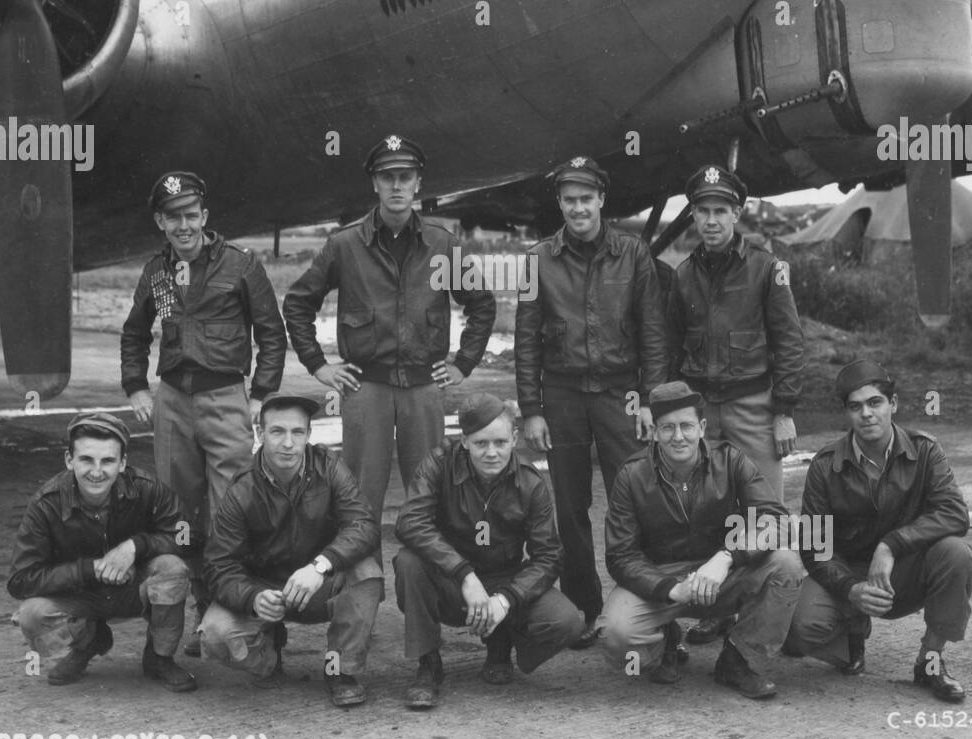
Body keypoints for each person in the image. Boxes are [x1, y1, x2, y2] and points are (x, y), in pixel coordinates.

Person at [284, 136, 496, 531]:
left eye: (405, 177)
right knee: (360, 500)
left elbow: (481, 303)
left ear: (418, 184)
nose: (397, 186)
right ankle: (362, 590)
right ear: (374, 184)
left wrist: (463, 363)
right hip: (366, 388)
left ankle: (428, 587)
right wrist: (318, 365)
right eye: (387, 177)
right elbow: (298, 302)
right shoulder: (345, 245)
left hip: (423, 388)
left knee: (429, 498)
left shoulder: (443, 246)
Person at [121, 171, 288, 656]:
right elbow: (135, 333)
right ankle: (201, 606)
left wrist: (261, 395)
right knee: (180, 512)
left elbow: (270, 334)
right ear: (160, 222)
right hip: (172, 399)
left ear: (205, 217)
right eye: (173, 218)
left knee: (234, 507)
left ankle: (246, 612)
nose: (184, 225)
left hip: (224, 397)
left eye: (191, 215)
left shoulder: (241, 265)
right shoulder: (156, 272)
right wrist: (136, 388)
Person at [514, 156, 668, 648]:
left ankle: (649, 602)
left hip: (620, 393)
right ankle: (584, 607)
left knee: (641, 498)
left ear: (602, 199)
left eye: (586, 199)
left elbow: (653, 332)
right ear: (559, 203)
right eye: (569, 200)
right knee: (570, 505)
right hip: (561, 395)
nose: (578, 208)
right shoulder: (537, 259)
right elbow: (526, 340)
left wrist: (651, 401)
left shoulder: (633, 253)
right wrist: (531, 409)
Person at [667, 165, 805, 647]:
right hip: (703, 411)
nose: (710, 220)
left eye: (720, 211)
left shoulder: (768, 267)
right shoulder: (682, 275)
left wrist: (784, 408)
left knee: (766, 511)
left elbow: (789, 340)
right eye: (702, 211)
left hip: (753, 404)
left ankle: (765, 619)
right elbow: (669, 348)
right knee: (708, 511)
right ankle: (717, 610)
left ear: (737, 213)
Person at [783, 361, 972, 702]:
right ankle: (851, 636)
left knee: (957, 555)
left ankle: (929, 661)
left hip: (901, 572)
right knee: (801, 629)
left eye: (875, 403)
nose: (867, 414)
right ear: (846, 413)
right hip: (846, 574)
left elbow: (954, 513)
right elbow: (814, 547)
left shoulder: (925, 450)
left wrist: (891, 545)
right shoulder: (825, 465)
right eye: (855, 407)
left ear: (894, 405)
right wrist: (850, 588)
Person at [599, 382, 804, 698]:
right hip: (661, 581)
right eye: (667, 428)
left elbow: (775, 519)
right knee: (617, 639)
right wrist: (671, 589)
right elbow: (620, 555)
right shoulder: (631, 474)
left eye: (686, 426)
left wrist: (726, 557)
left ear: (702, 427)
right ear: (653, 431)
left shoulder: (731, 460)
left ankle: (737, 659)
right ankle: (664, 642)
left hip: (721, 573)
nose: (678, 436)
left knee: (787, 563)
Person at [393, 393, 584, 708]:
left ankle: (502, 641)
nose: (492, 453)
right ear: (464, 441)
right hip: (451, 582)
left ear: (514, 438)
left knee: (567, 622)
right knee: (409, 561)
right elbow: (409, 522)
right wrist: (464, 574)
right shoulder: (438, 464)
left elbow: (549, 556)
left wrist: (505, 600)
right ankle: (428, 662)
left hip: (504, 579)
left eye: (500, 442)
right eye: (481, 443)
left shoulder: (531, 482)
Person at [199, 395, 383, 708]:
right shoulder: (242, 487)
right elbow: (218, 564)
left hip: (319, 584)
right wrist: (253, 598)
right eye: (277, 432)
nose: (288, 443)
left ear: (309, 435)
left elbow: (364, 525)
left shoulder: (329, 466)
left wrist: (321, 565)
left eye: (297, 432)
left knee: (366, 570)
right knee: (214, 634)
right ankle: (268, 656)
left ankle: (338, 669)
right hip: (266, 591)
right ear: (260, 435)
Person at [9, 413, 196, 692]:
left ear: (122, 463)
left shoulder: (147, 489)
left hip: (134, 588)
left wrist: (136, 546)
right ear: (69, 459)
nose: (96, 471)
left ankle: (159, 656)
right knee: (32, 615)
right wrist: (90, 569)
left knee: (172, 568)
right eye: (86, 459)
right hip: (81, 595)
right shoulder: (46, 504)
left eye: (108, 461)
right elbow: (21, 579)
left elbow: (189, 535)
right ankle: (88, 642)